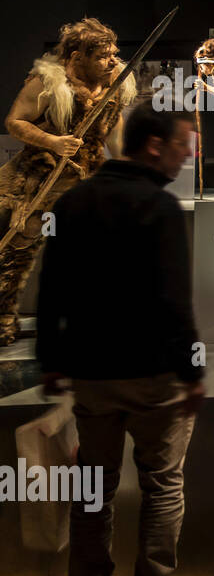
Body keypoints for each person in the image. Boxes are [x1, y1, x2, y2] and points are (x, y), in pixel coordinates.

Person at [36, 100, 203, 576]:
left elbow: (51, 290)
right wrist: (193, 368)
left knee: (92, 491)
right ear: (154, 146)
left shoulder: (74, 200)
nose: (186, 157)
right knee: (162, 487)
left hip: (91, 377)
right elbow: (176, 300)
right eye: (183, 147)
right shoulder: (161, 209)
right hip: (154, 375)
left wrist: (52, 363)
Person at [0, 18, 135, 345]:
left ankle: (85, 319)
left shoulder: (114, 81)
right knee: (15, 252)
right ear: (77, 57)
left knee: (92, 253)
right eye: (102, 56)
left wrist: (128, 169)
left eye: (113, 54)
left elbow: (113, 132)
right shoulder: (48, 83)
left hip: (86, 181)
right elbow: (14, 121)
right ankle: (2, 316)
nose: (111, 61)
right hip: (36, 180)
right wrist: (52, 141)